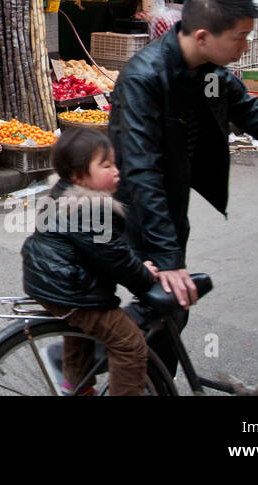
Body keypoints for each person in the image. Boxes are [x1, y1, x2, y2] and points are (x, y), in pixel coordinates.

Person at [109, 0, 258, 362]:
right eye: (239, 37)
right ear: (202, 36)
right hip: (133, 210)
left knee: (170, 315)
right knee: (167, 306)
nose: (245, 47)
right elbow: (141, 170)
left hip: (170, 204)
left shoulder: (210, 74)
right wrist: (167, 258)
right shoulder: (144, 79)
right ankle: (81, 357)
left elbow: (253, 115)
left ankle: (150, 384)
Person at [22, 129, 158, 395]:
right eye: (106, 166)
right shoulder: (92, 209)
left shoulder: (63, 194)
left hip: (52, 282)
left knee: (80, 336)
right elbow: (116, 258)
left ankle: (76, 387)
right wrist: (145, 276)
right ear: (78, 175)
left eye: (115, 164)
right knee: (130, 344)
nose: (116, 171)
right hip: (69, 288)